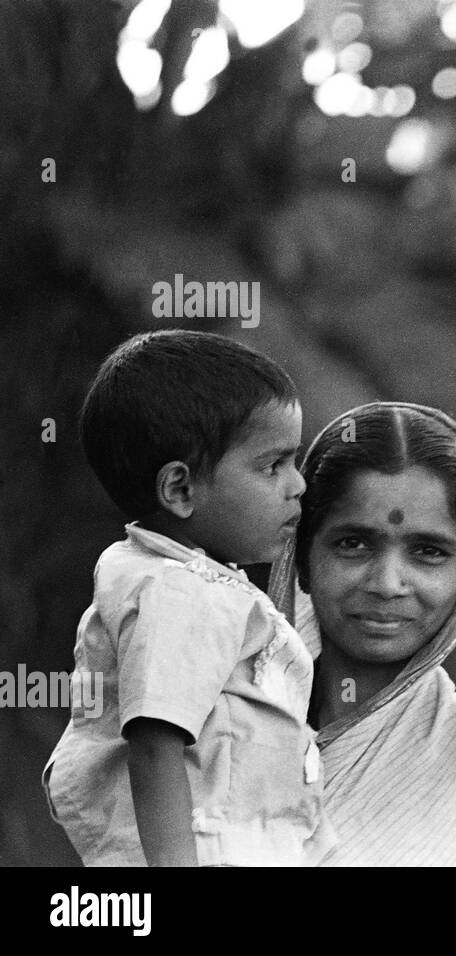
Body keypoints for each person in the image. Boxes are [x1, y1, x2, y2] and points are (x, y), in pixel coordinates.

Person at [43, 330, 330, 866]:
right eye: (273, 466)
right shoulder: (178, 592)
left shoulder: (190, 579)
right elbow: (154, 745)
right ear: (179, 490)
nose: (299, 486)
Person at [270, 401, 456, 865]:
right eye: (353, 544)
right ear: (302, 561)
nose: (387, 584)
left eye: (428, 552)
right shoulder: (212, 724)